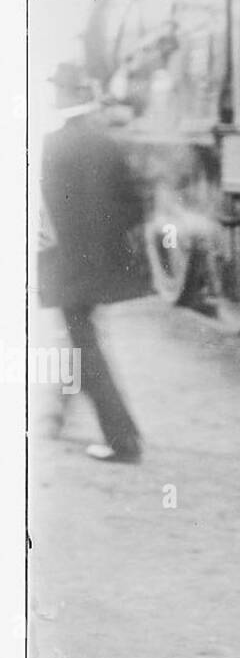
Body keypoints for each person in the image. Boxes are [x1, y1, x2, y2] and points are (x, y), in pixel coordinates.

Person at [39, 62, 145, 463]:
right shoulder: (106, 143)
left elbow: (44, 217)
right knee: (80, 341)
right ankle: (55, 419)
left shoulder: (51, 146)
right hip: (99, 269)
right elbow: (134, 207)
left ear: (66, 96)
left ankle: (123, 442)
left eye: (55, 90)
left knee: (85, 352)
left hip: (66, 269)